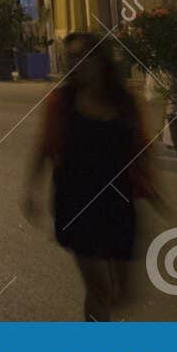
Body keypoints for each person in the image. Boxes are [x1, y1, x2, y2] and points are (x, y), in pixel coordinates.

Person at [23, 33, 165, 321]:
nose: (76, 64)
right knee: (99, 286)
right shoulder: (62, 102)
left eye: (83, 57)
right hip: (76, 203)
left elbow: (143, 148)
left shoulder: (125, 102)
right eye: (71, 58)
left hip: (119, 203)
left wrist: (153, 188)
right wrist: (31, 190)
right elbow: (43, 147)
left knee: (121, 291)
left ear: (100, 62)